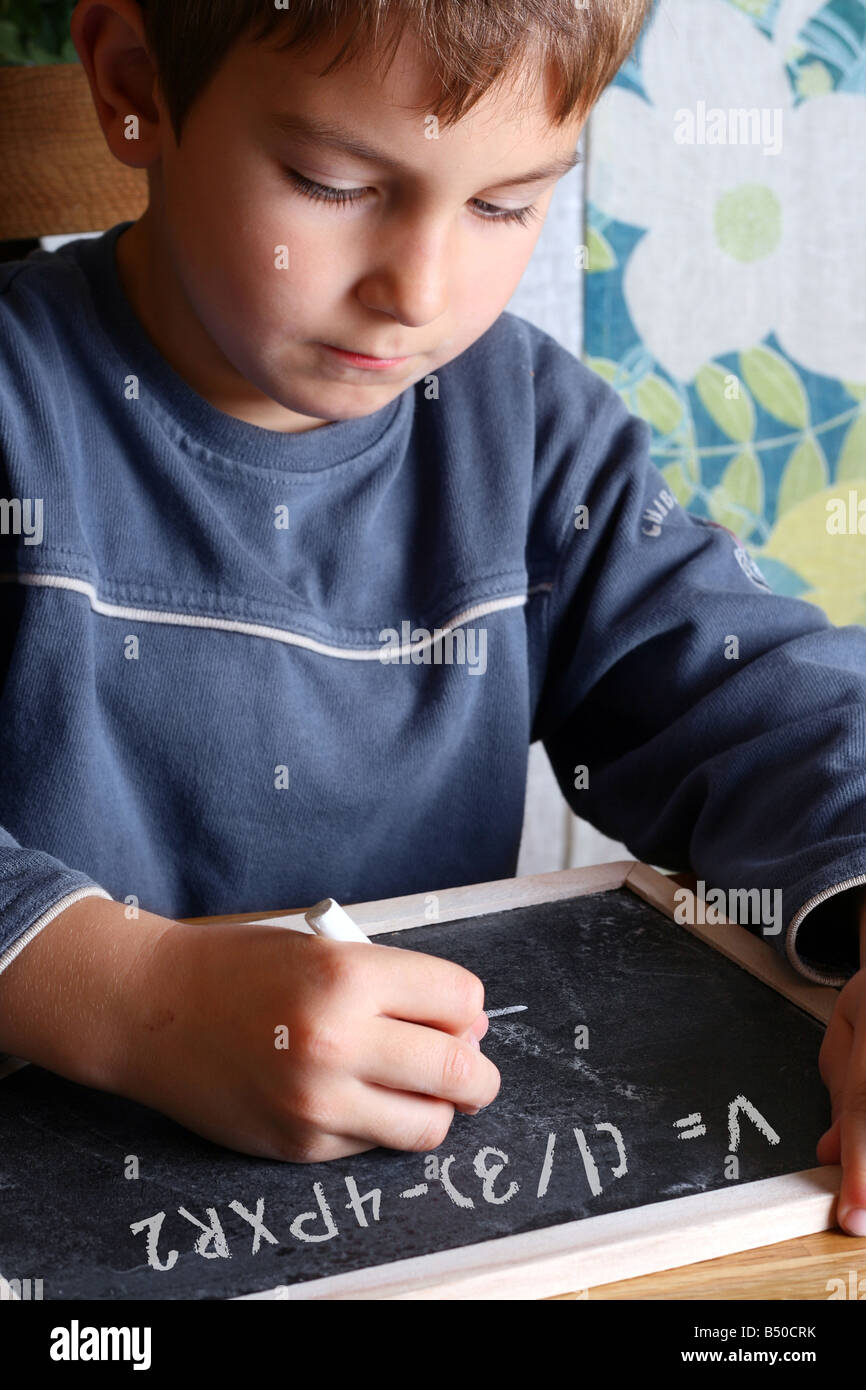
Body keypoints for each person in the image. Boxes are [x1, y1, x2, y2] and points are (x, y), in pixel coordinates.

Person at [0, 0, 864, 1238]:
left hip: (420, 1214)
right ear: (134, 85)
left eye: (504, 205)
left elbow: (763, 703)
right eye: (332, 182)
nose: (417, 290)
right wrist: (142, 1001)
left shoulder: (527, 440)